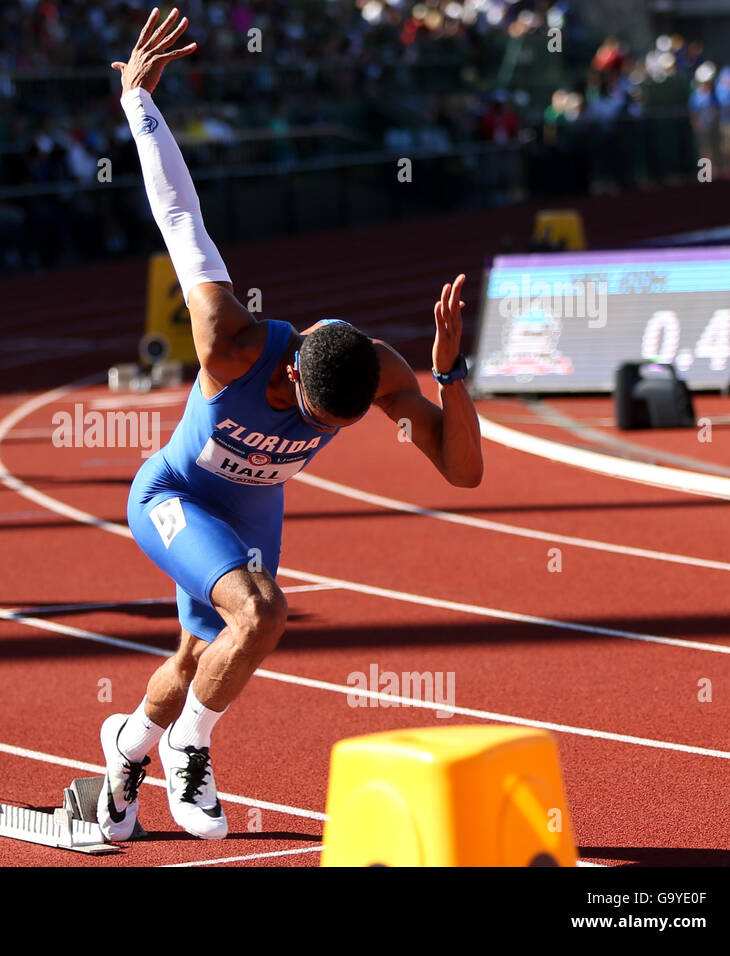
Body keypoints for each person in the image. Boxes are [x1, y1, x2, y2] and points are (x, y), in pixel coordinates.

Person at [97, 8, 485, 842]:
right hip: (172, 494)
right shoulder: (229, 342)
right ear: (291, 361)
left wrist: (449, 373)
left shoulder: (377, 369)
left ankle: (129, 746)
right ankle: (189, 750)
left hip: (249, 510)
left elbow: (461, 472)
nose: (313, 429)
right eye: (308, 416)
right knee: (264, 614)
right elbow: (181, 219)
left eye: (328, 428)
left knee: (197, 660)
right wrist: (136, 103)